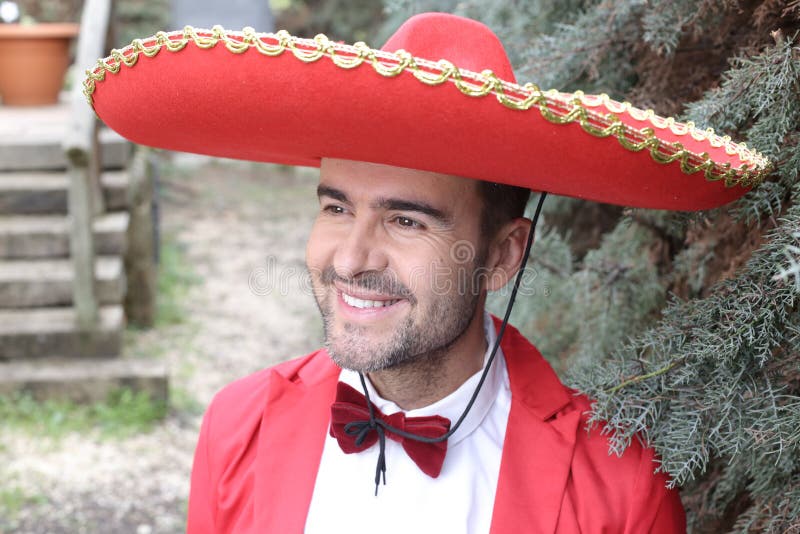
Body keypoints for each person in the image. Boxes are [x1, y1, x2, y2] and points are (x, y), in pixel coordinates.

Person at [84, 11, 770, 534]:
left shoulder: (615, 486)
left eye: (406, 221)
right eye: (335, 207)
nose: (351, 259)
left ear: (504, 254)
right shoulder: (239, 428)